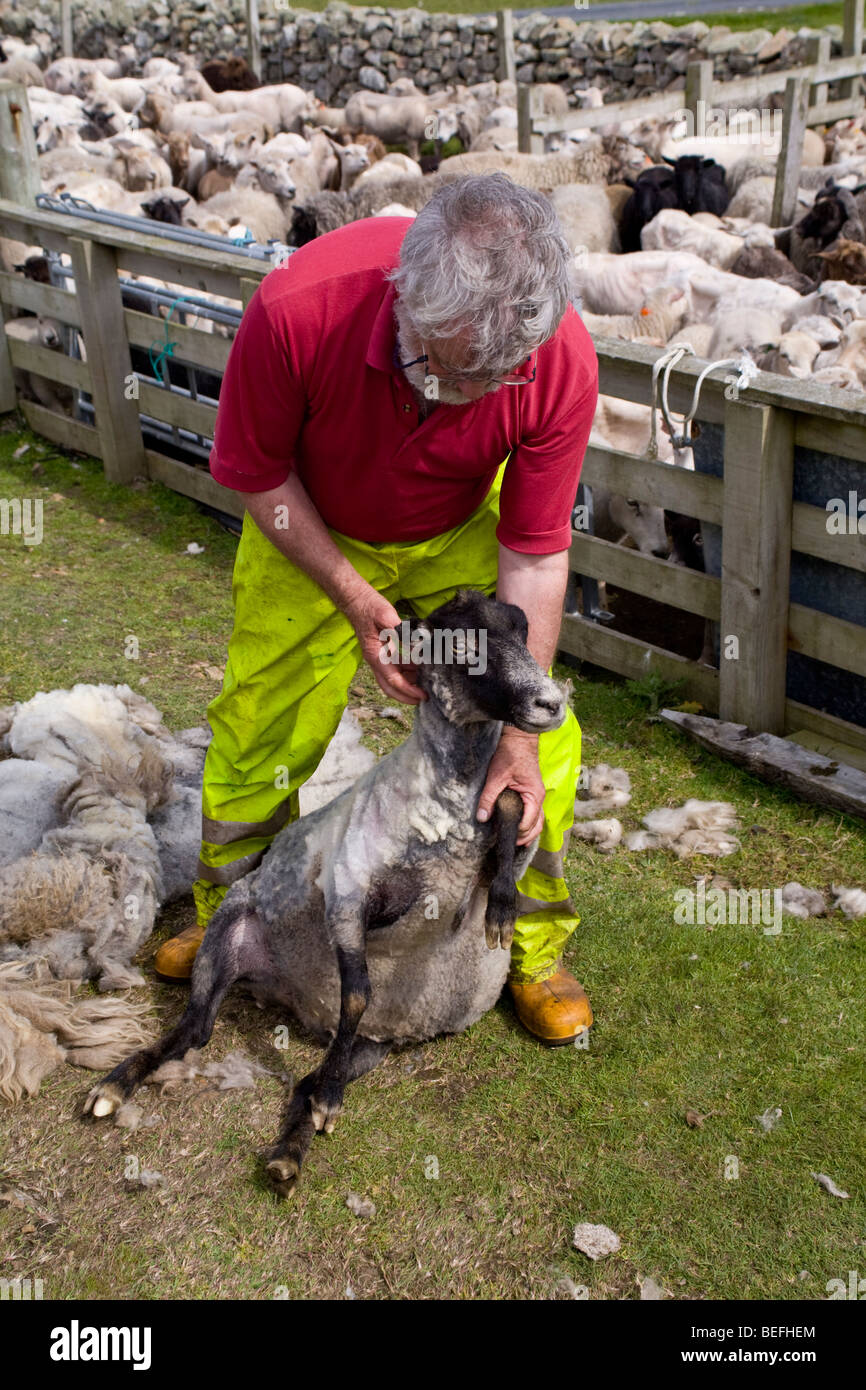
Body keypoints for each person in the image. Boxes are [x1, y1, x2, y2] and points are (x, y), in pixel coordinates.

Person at [155, 172, 599, 1045]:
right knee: (263, 723)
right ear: (406, 298)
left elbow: (537, 551)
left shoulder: (555, 360)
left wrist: (515, 733)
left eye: (499, 377)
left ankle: (530, 948)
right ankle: (232, 912)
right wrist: (359, 600)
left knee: (547, 742)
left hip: (460, 524)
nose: (473, 394)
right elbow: (255, 475)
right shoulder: (296, 313)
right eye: (452, 369)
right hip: (312, 520)